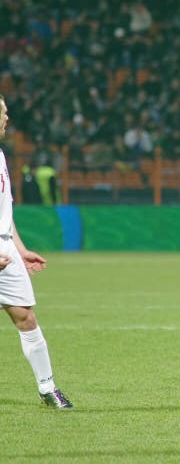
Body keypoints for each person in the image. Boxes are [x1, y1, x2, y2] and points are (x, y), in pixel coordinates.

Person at [0, 94, 73, 409]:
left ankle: (48, 389)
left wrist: (21, 247)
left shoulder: (0, 155)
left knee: (26, 317)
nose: (7, 118)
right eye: (2, 112)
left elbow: (5, 210)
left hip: (5, 246)